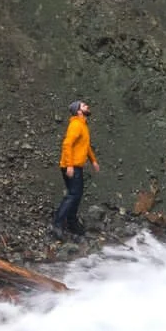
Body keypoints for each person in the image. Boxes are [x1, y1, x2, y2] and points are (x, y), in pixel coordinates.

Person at [52, 100, 97, 236]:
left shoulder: (83, 125)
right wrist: (70, 165)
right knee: (73, 195)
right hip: (71, 166)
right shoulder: (76, 125)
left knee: (76, 195)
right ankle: (57, 224)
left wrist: (93, 161)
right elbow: (67, 144)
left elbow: (86, 146)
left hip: (76, 166)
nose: (87, 106)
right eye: (83, 106)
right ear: (78, 111)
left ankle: (71, 222)